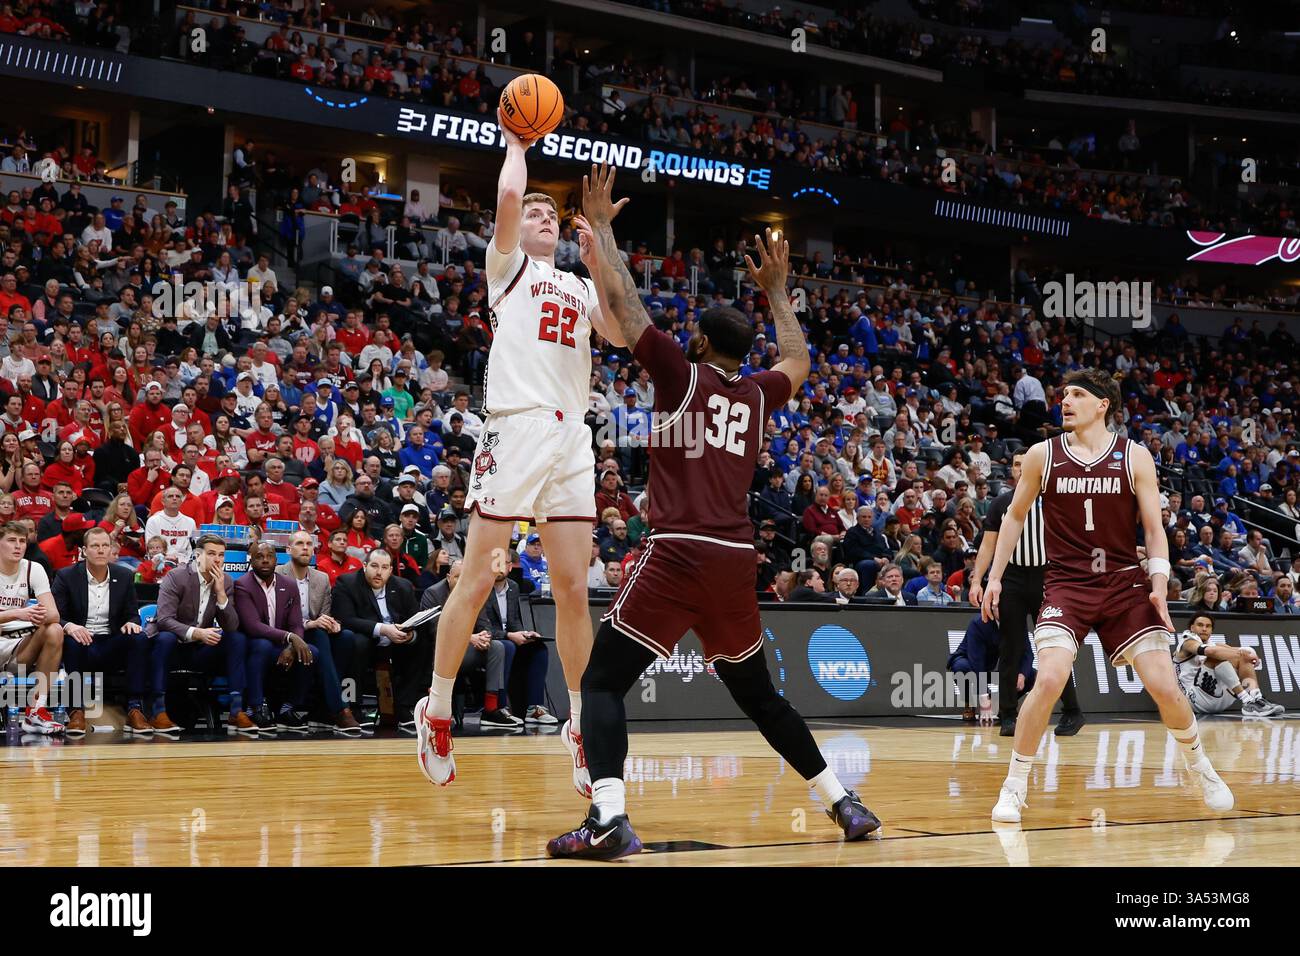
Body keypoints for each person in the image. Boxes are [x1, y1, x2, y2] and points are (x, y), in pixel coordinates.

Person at [545, 179, 878, 859]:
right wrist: (780, 292)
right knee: (760, 696)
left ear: (697, 342)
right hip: (733, 562)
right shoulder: (757, 394)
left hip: (678, 554)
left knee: (602, 681)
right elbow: (801, 359)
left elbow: (626, 306)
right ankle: (841, 803)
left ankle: (609, 817)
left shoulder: (678, 374)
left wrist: (602, 231)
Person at [417, 114, 628, 795]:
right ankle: (439, 708)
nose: (541, 216)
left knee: (573, 591)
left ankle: (580, 728)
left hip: (572, 438)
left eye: (550, 213)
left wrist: (602, 251)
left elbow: (623, 333)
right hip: (516, 428)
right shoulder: (507, 269)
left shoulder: (577, 283)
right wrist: (516, 147)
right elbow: (509, 201)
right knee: (477, 577)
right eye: (536, 210)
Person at [982, 368, 1233, 824]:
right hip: (1066, 583)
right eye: (1064, 394)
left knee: (1163, 685)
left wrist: (1159, 581)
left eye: (1077, 394)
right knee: (1051, 677)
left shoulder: (1135, 457)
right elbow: (1014, 517)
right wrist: (995, 576)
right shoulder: (1043, 455)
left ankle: (1201, 767)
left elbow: (1155, 530)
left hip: (1123, 583)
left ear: (1103, 405)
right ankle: (1014, 785)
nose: (1066, 400)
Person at [969, 450, 1085, 738]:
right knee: (1010, 647)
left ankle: (1073, 711)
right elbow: (988, 546)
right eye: (1017, 465)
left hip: (1048, 576)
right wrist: (977, 581)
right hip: (1012, 578)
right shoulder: (1002, 503)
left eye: (1026, 464)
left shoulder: (1057, 501)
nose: (1022, 469)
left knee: (1054, 647)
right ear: (1012, 470)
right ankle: (1008, 714)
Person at [148, 534, 262, 735]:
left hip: (199, 652)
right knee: (165, 638)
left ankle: (236, 710)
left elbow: (232, 626)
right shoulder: (177, 576)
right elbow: (164, 620)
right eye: (211, 554)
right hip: (172, 648)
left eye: (221, 555)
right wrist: (197, 633)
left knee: (237, 639)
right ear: (197, 556)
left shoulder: (225, 581)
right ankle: (158, 711)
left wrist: (221, 595)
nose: (217, 559)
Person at [53, 526, 146, 735]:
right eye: (95, 546)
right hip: (80, 642)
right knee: (72, 641)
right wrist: (70, 626)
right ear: (84, 551)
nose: (101, 550)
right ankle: (76, 710)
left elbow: (132, 613)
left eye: (105, 545)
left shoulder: (123, 575)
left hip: (110, 642)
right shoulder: (66, 576)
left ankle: (135, 708)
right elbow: (54, 615)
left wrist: (131, 622)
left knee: (138, 638)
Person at [334, 548, 429, 732]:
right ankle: (353, 707)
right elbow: (345, 619)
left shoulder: (402, 586)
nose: (379, 572)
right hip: (366, 640)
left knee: (422, 644)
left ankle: (403, 707)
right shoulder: (347, 583)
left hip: (395, 643)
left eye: (385, 567)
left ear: (391, 570)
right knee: (357, 643)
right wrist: (383, 629)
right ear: (364, 566)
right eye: (374, 566)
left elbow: (417, 620)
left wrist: (410, 635)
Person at [417, 559, 520, 728]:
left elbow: (485, 624)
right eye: (458, 577)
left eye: (466, 577)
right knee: (447, 650)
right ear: (449, 577)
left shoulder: (475, 593)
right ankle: (439, 707)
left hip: (467, 650)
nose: (462, 582)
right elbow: (434, 631)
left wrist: (484, 638)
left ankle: (491, 709)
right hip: (439, 652)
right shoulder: (433, 593)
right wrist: (470, 638)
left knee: (497, 647)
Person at [279, 531, 363, 733]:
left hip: (316, 633)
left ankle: (323, 709)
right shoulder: (278, 574)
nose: (305, 547)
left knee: (346, 637)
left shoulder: (321, 578)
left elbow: (324, 613)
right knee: (318, 634)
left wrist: (331, 624)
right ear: (289, 550)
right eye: (300, 543)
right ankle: (339, 708)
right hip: (286, 634)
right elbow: (277, 618)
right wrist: (311, 624)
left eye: (309, 543)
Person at [0, 520, 67, 734]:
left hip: (21, 646)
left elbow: (54, 614)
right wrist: (18, 613)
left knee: (54, 630)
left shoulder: (33, 568)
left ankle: (36, 710)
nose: (18, 545)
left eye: (22, 541)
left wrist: (36, 617)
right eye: (11, 541)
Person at [477, 564, 555, 725]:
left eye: (502, 563)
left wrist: (525, 634)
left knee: (538, 648)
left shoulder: (513, 587)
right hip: (487, 640)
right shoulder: (481, 587)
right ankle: (500, 707)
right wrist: (509, 635)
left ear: (510, 567)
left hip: (508, 637)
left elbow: (514, 621)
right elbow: (482, 626)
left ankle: (534, 708)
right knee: (507, 646)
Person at [1173, 612, 1284, 718]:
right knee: (1217, 656)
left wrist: (1248, 655)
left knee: (1242, 657)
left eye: (1208, 626)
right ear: (1192, 628)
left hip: (1217, 698)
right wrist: (1241, 654)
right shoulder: (1187, 642)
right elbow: (1211, 652)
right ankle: (1247, 700)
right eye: (1200, 625)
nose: (1204, 629)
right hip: (1193, 700)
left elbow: (1246, 651)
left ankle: (1256, 699)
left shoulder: (1214, 644)